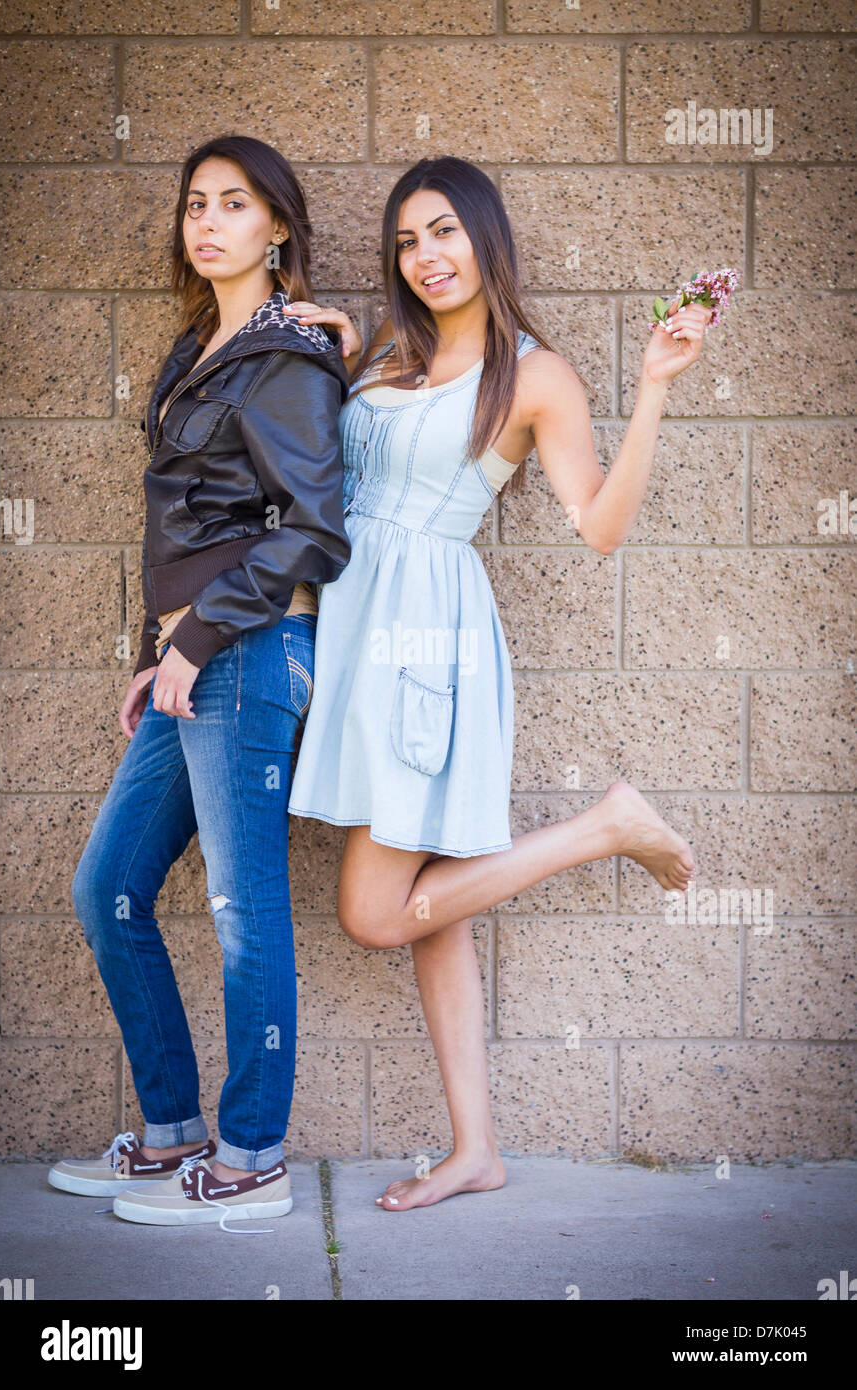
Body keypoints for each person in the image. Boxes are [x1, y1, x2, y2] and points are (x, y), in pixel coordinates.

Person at [284, 155, 707, 1212]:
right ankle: (476, 1148)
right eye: (405, 241)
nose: (424, 257)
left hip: (423, 643)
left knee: (377, 913)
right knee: (436, 913)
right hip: (352, 628)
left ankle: (604, 825)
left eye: (441, 232)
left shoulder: (534, 375)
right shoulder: (390, 348)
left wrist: (651, 388)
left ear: (483, 234)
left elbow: (598, 527)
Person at [50, 134, 351, 1230]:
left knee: (241, 912)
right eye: (194, 205)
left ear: (278, 227)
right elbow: (181, 523)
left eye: (234, 204)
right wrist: (152, 650)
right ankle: (171, 1130)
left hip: (247, 655)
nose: (208, 221)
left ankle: (252, 1158)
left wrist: (195, 639)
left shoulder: (285, 356)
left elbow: (311, 532)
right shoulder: (199, 349)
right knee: (108, 889)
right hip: (188, 666)